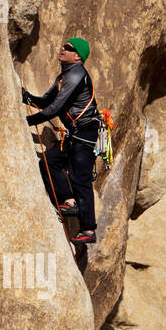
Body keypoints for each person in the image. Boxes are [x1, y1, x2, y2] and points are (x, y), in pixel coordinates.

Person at [23, 37, 101, 244]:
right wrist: (26, 97)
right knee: (49, 162)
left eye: (69, 48)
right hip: (76, 133)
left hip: (85, 133)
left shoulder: (77, 75)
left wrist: (27, 121)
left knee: (80, 176)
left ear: (78, 57)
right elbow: (46, 101)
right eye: (64, 46)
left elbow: (54, 108)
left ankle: (88, 229)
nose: (63, 49)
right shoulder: (64, 76)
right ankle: (68, 200)